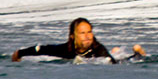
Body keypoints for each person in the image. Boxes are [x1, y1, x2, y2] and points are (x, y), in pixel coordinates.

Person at [10, 18, 145, 62]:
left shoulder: (98, 49)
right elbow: (40, 49)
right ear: (73, 36)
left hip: (107, 59)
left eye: (89, 32)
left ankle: (138, 53)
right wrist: (20, 53)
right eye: (82, 33)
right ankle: (117, 51)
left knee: (123, 60)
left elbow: (111, 65)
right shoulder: (65, 49)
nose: (87, 36)